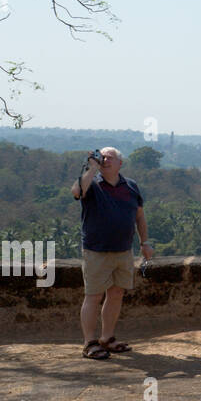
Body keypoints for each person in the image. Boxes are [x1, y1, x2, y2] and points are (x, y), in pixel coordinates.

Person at [70, 147, 154, 360]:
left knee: (116, 294)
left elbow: (139, 217)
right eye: (102, 157)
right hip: (96, 250)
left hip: (123, 250)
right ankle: (89, 342)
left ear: (120, 163)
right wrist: (91, 168)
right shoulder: (92, 183)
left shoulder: (131, 186)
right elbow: (76, 192)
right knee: (94, 296)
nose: (105, 160)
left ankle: (107, 338)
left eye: (110, 157)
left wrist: (145, 242)